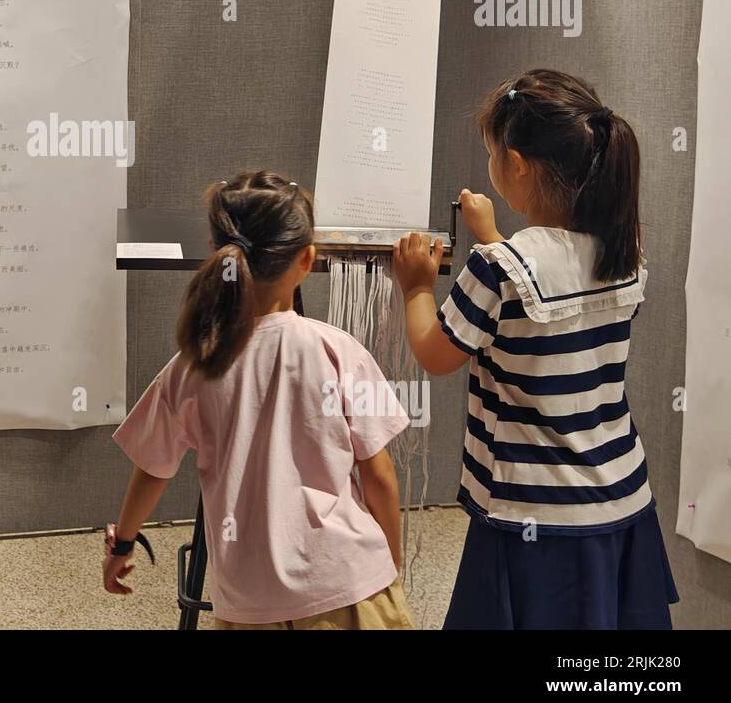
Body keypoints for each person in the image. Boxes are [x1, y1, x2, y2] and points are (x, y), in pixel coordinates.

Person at [393, 68, 678, 630]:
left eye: (493, 154)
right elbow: (549, 303)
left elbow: (435, 352)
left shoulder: (496, 269)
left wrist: (417, 286)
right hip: (619, 495)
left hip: (531, 510)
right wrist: (494, 237)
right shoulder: (624, 251)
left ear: (515, 165)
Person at [104, 171, 413, 629]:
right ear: (307, 259)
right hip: (348, 583)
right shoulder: (337, 351)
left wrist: (123, 545)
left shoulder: (190, 366)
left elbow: (152, 470)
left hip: (248, 601)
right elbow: (379, 476)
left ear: (215, 252)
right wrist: (390, 565)